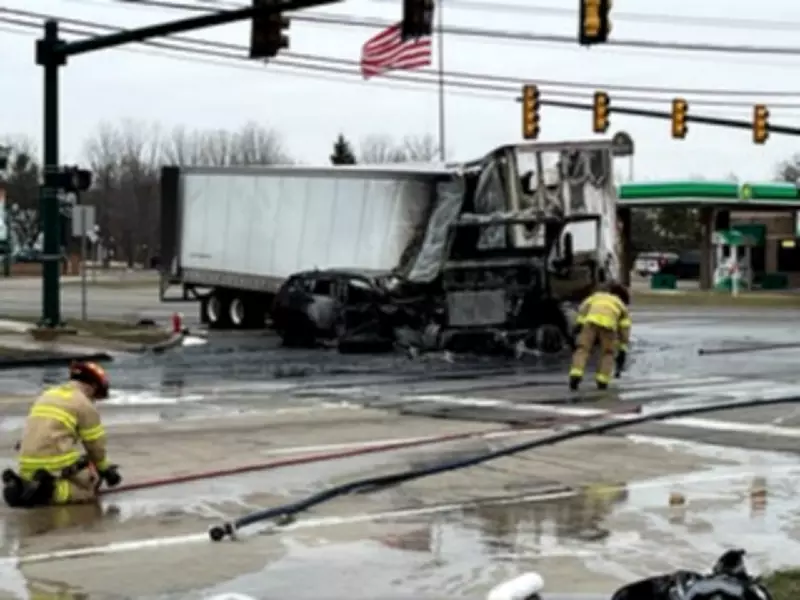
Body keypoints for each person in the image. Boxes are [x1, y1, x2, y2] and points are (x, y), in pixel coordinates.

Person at [2, 361, 122, 508]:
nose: (94, 400)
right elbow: (95, 447)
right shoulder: (84, 404)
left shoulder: (48, 394)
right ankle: (50, 491)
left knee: (66, 462)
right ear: (94, 387)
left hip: (26, 462)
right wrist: (105, 470)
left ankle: (21, 485)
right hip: (53, 462)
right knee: (89, 488)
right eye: (96, 396)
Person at [568, 282, 631, 391]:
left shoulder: (596, 297)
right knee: (608, 353)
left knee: (582, 349)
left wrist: (579, 326)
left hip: (591, 323)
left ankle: (576, 374)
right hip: (608, 326)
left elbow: (583, 309)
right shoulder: (620, 304)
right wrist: (623, 348)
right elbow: (624, 329)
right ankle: (602, 380)